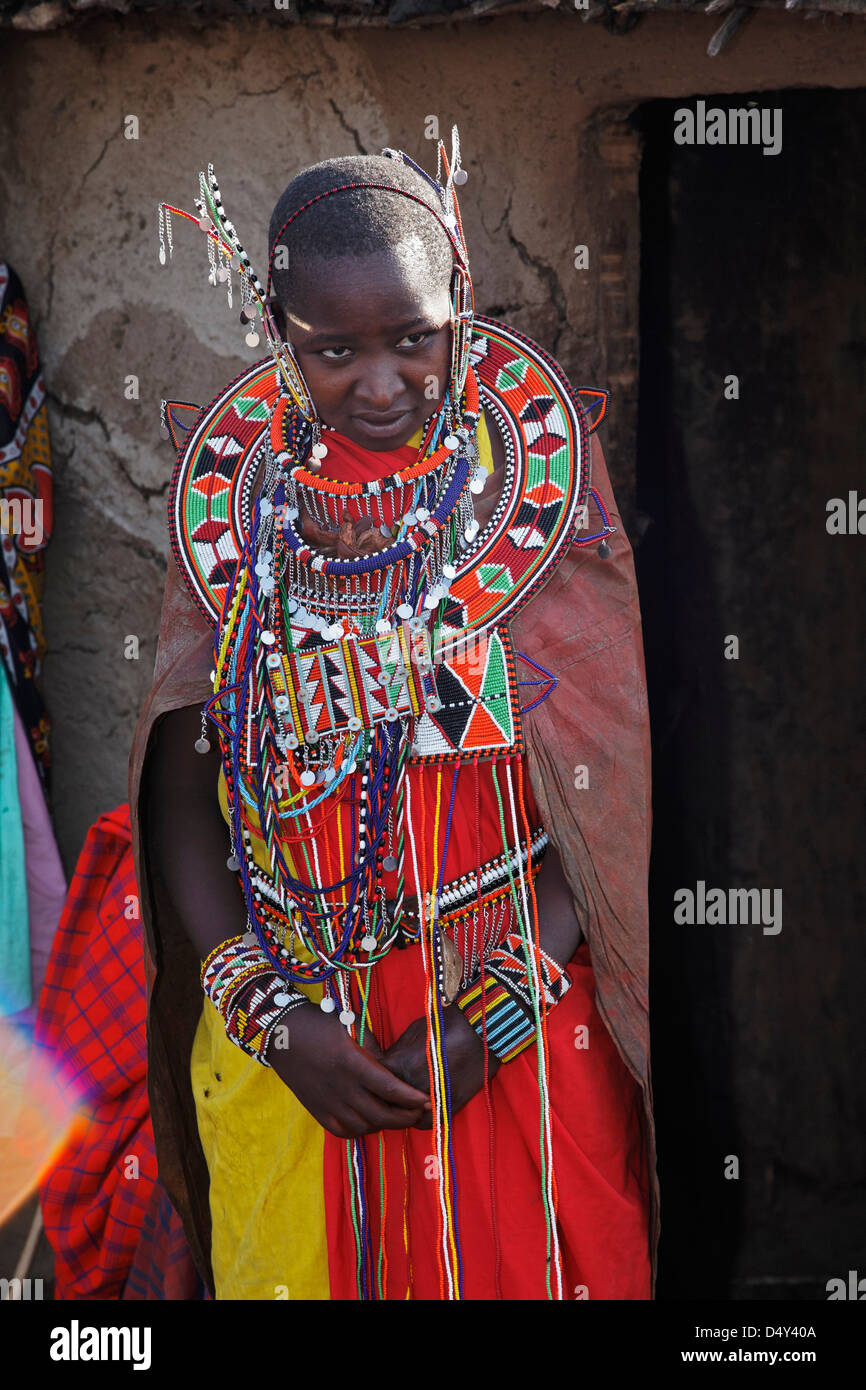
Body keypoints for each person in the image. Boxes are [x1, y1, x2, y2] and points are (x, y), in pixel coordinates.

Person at [129, 137, 659, 1300]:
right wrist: (270, 1017)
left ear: (461, 297)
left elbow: (604, 795)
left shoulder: (540, 482)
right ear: (278, 328)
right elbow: (181, 794)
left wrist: (496, 1013)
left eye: (414, 335)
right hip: (297, 1032)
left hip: (513, 1021)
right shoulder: (233, 502)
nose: (379, 383)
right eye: (332, 350)